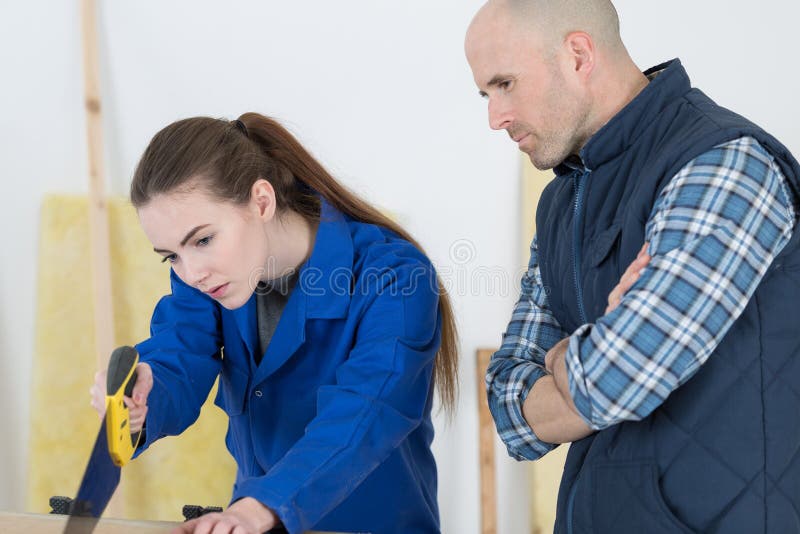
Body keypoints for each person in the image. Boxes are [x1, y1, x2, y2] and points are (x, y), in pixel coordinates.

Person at [465, 1, 800, 533]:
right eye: (486, 94)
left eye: (505, 84)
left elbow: (615, 381)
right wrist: (593, 355)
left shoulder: (723, 163)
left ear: (578, 55)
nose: (494, 118)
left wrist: (565, 361)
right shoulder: (560, 203)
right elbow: (509, 409)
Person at [89, 112, 458, 534]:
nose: (190, 272)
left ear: (261, 201)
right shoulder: (207, 277)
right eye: (170, 255)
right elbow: (179, 352)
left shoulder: (395, 277)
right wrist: (144, 396)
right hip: (252, 522)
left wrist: (261, 505)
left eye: (203, 240)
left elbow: (365, 413)